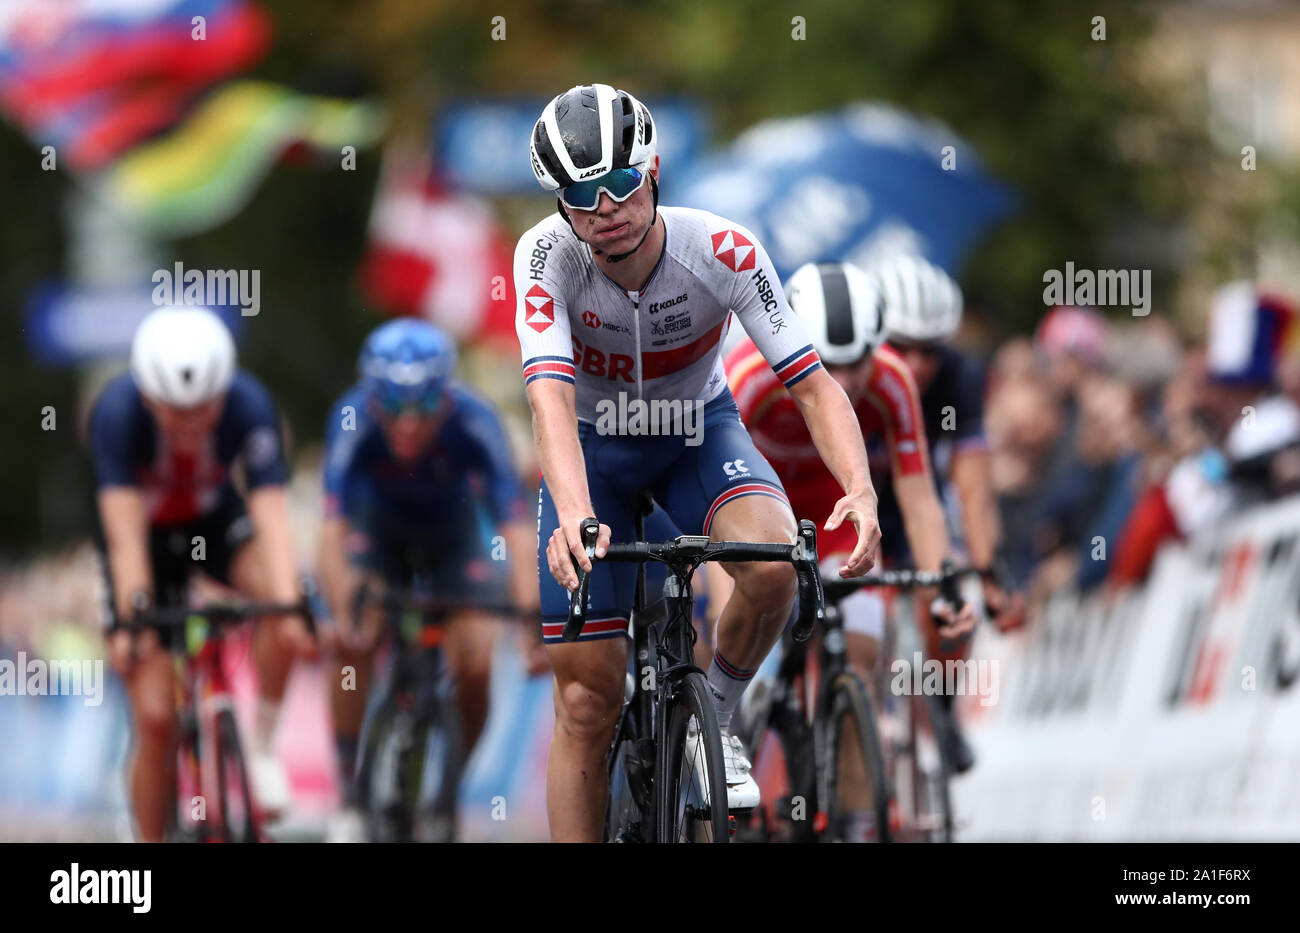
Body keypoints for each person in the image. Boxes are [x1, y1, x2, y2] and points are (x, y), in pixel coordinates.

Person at [517, 83, 888, 841]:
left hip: (697, 430)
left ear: (653, 170)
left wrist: (859, 486)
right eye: (581, 197)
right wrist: (577, 512)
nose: (606, 209)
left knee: (775, 563)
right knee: (586, 703)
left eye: (621, 184)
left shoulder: (722, 249)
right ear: (560, 205)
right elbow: (548, 399)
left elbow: (813, 386)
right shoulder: (546, 256)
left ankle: (713, 717)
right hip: (593, 449)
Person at [724, 260, 976, 802]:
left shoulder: (893, 380)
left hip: (836, 526)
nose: (845, 379)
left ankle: (854, 822)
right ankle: (719, 759)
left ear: (878, 346)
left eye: (857, 361)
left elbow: (918, 495)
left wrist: (941, 587)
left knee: (859, 665)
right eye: (827, 362)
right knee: (732, 653)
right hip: (757, 516)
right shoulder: (750, 373)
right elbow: (710, 487)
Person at [317, 318, 541, 842]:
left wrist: (532, 619)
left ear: (447, 395)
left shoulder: (475, 419)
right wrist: (340, 602)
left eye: (423, 409)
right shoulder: (350, 417)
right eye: (393, 409)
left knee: (477, 659)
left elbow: (514, 527)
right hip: (377, 537)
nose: (409, 425)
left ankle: (448, 781)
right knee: (353, 641)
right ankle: (350, 798)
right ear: (372, 399)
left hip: (455, 540)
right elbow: (331, 532)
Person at [90, 306, 309, 842]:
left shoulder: (250, 403)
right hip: (144, 539)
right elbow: (122, 537)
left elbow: (272, 519)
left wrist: (290, 605)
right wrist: (133, 618)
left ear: (224, 393)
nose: (189, 427)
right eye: (174, 413)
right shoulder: (115, 412)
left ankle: (259, 745)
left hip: (214, 522)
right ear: (147, 397)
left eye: (203, 411)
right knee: (157, 718)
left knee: (283, 602)